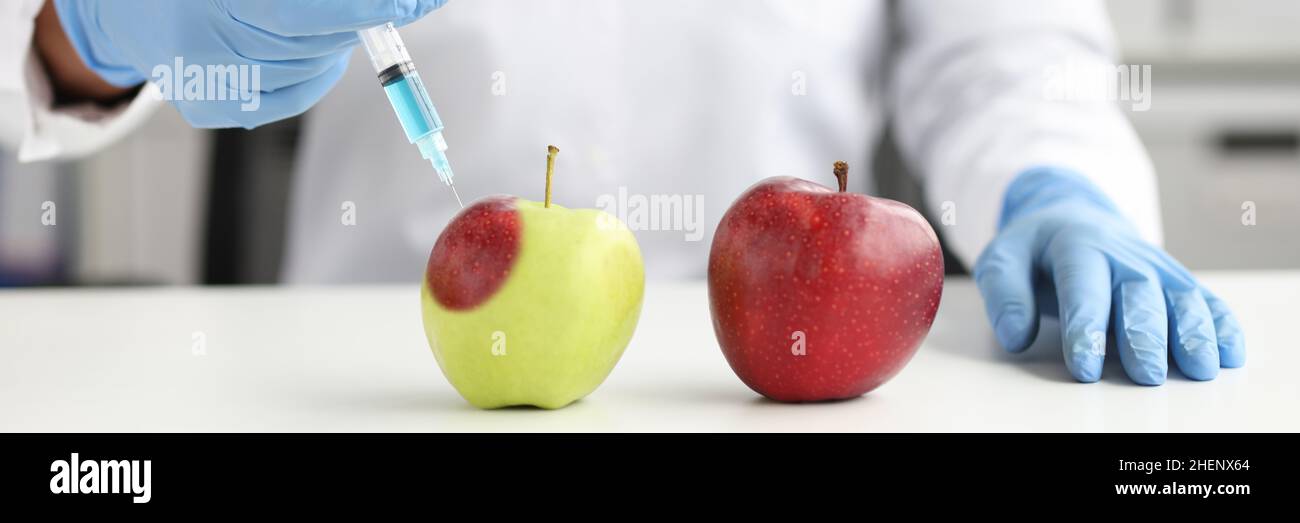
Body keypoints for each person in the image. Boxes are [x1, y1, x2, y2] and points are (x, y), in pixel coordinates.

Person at [1, 0, 1243, 385]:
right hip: (370, 385)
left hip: (760, 397)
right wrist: (93, 30)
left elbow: (1008, 54)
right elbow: (46, 51)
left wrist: (1057, 182)